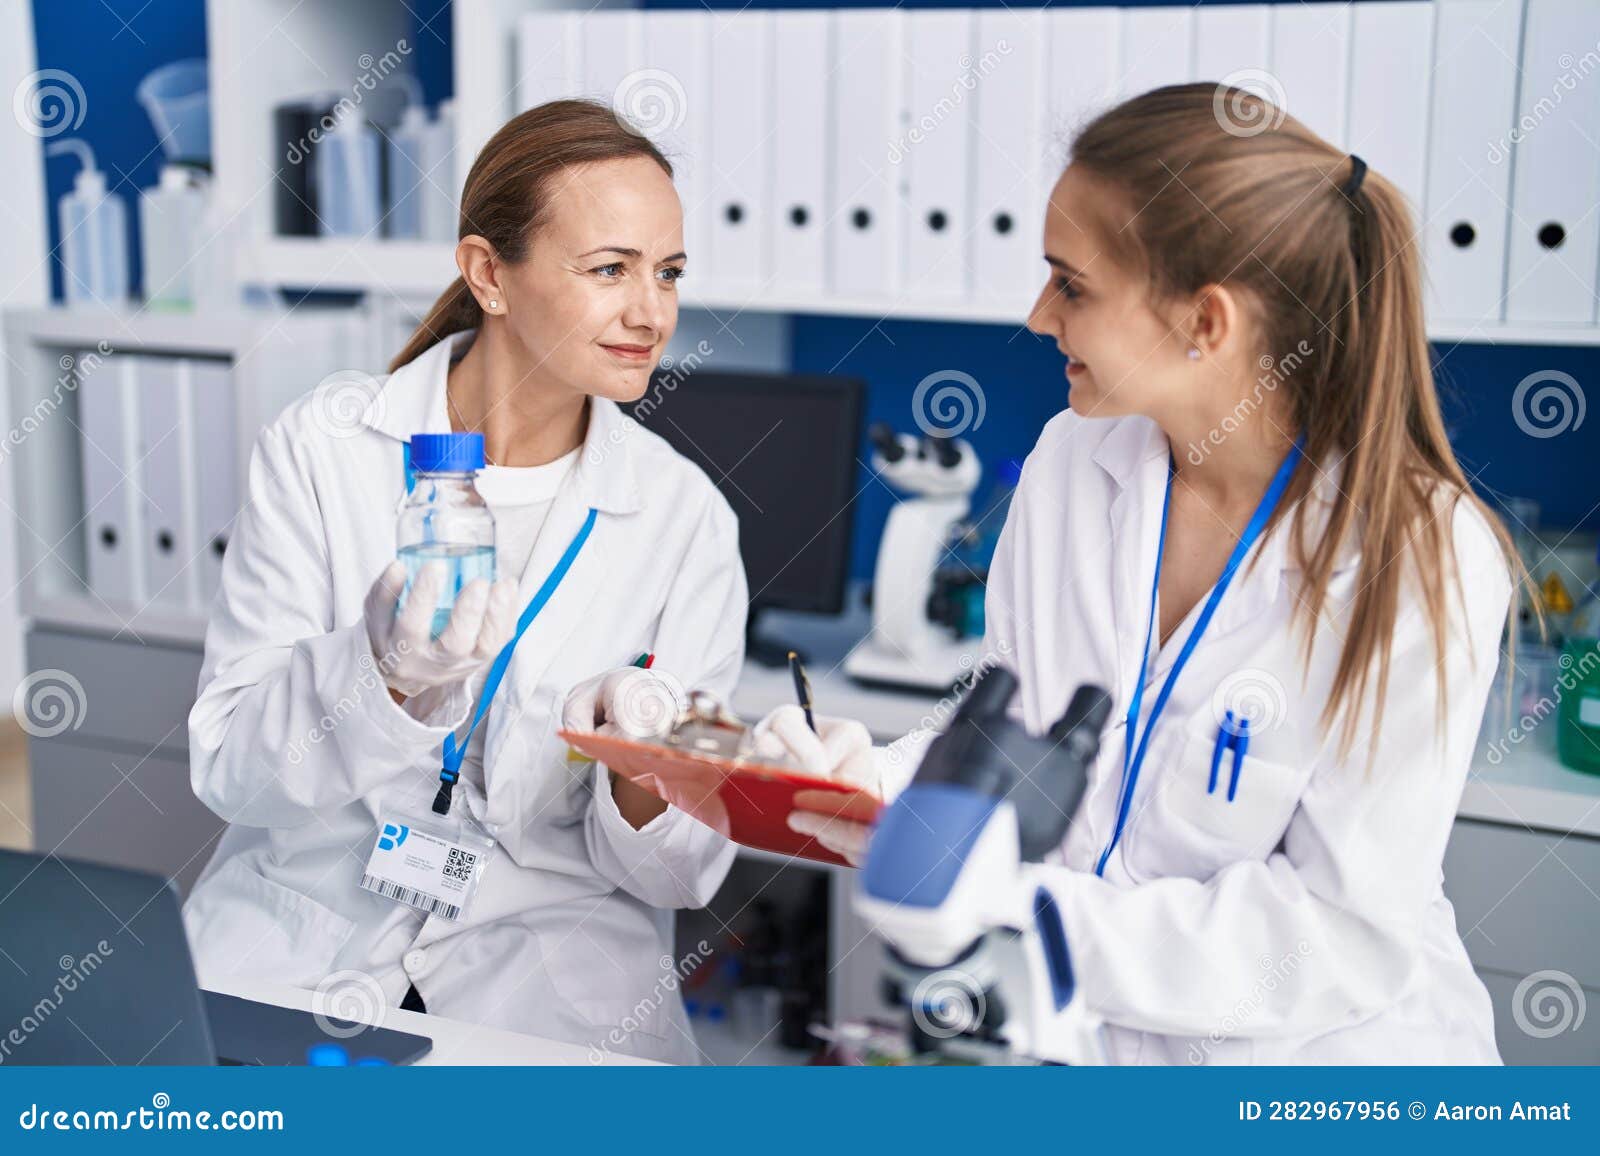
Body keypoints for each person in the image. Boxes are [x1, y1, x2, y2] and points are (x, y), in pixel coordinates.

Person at [759, 84, 1521, 1064]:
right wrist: (873, 777)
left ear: (1206, 320)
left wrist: (1015, 903)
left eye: (1071, 286)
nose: (1038, 316)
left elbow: (1334, 940)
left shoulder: (1422, 556)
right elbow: (1014, 729)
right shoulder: (1069, 463)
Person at [183, 100, 742, 1064]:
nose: (652, 313)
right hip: (299, 942)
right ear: (488, 273)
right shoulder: (325, 449)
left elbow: (684, 875)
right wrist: (381, 674)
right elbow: (233, 773)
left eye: (669, 272)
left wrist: (647, 771)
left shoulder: (684, 517)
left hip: (549, 994)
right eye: (610, 269)